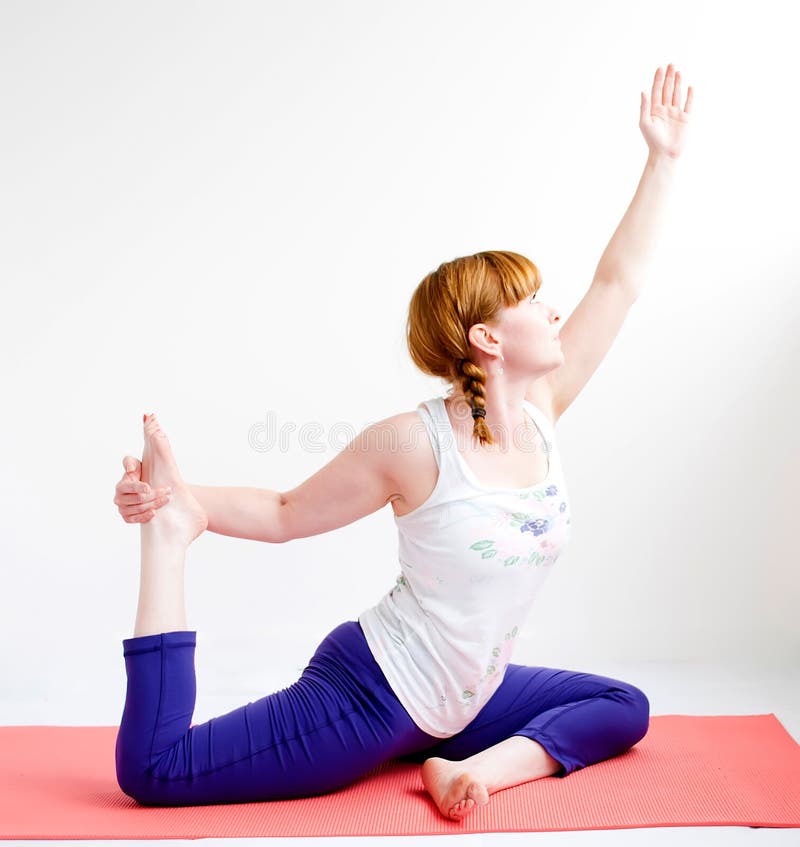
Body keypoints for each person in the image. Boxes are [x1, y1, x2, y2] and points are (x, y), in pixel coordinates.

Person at [112, 65, 692, 820]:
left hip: (468, 699)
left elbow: (617, 283)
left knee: (622, 704)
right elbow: (287, 510)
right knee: (157, 771)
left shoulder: (544, 407)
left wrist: (663, 160)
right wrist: (180, 508)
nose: (555, 311)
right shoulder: (417, 443)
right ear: (488, 337)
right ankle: (166, 541)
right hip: (376, 690)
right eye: (531, 299)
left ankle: (470, 769)